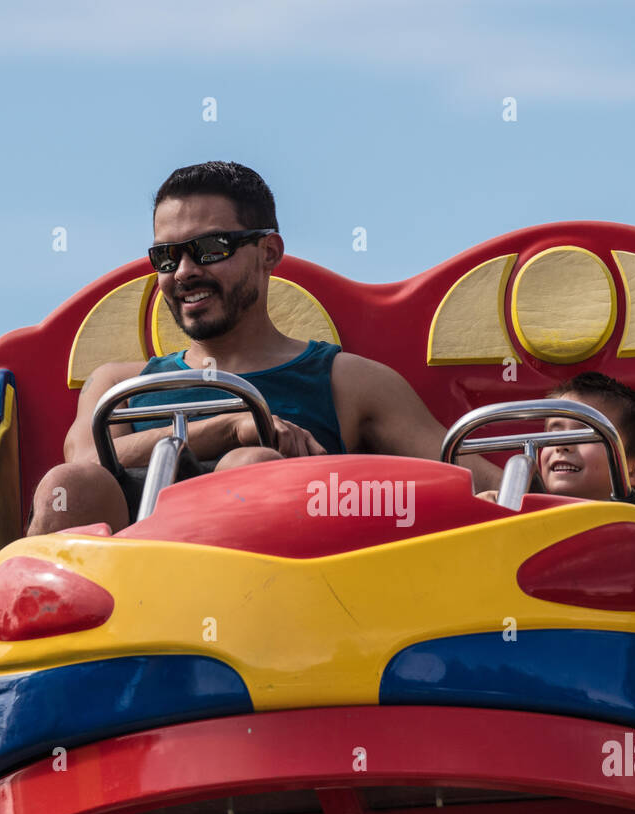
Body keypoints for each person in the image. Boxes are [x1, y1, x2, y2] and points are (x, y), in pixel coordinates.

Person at [29, 161, 502, 535]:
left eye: (211, 248)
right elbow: (83, 468)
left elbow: (483, 486)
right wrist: (230, 427)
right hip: (128, 616)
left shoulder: (348, 381)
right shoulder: (119, 385)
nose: (185, 271)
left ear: (269, 253)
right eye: (167, 256)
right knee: (68, 486)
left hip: (275, 618)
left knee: (250, 467)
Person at [480, 372, 635, 562]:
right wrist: (477, 517)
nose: (561, 445)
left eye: (585, 433)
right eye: (553, 433)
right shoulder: (512, 513)